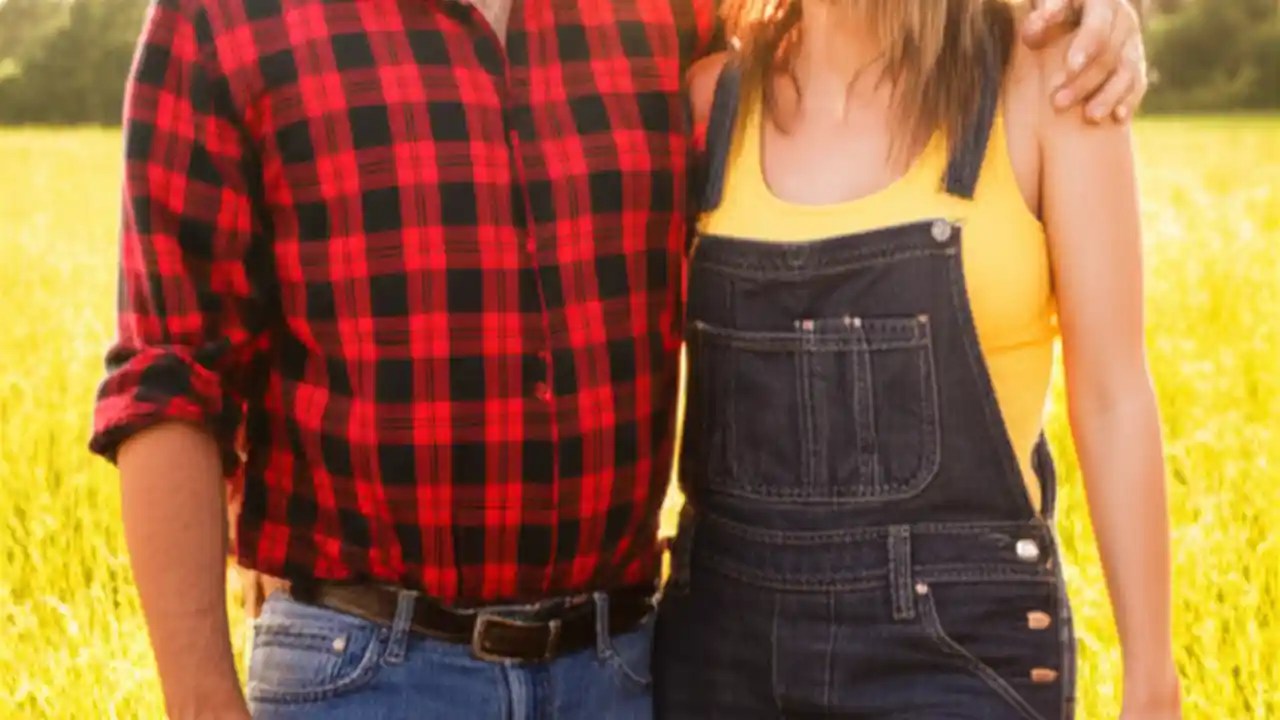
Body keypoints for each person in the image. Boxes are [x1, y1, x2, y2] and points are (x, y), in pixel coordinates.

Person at [90, 0, 1149, 715]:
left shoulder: (660, 16)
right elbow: (166, 380)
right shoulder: (225, 19)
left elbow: (856, 33)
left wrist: (1082, 15)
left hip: (629, 671)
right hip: (368, 673)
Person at [656, 1, 1176, 719]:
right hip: (720, 655)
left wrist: (1152, 680)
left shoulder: (1052, 83)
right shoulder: (713, 101)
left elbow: (1113, 394)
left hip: (956, 656)